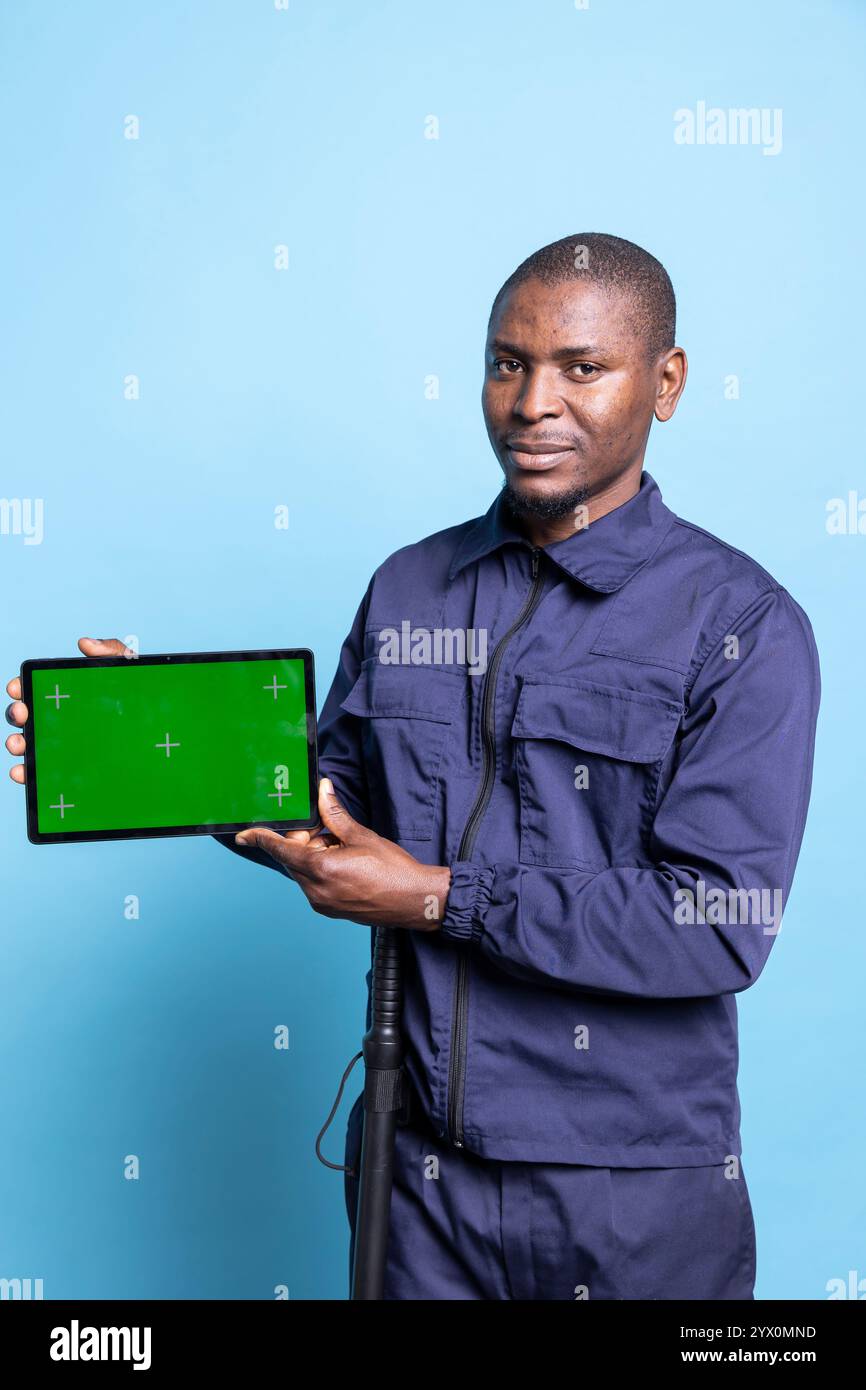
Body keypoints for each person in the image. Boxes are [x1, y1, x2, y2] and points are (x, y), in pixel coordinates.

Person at [6, 234, 820, 1301]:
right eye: (504, 362)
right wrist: (152, 736)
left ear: (663, 383)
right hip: (416, 1172)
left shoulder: (739, 624)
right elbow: (323, 807)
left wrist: (435, 897)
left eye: (581, 367)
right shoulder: (409, 590)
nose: (532, 401)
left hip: (631, 1193)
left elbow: (712, 921)